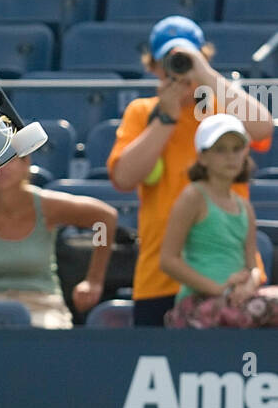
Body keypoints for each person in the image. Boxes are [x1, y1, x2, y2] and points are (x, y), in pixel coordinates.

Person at [108, 16, 273, 325]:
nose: (178, 67)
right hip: (160, 281)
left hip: (234, 282)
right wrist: (166, 118)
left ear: (204, 57)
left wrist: (204, 73)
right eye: (169, 61)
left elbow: (263, 128)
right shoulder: (142, 112)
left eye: (186, 57)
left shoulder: (221, 107)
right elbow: (123, 177)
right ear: (155, 68)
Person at [0, 155, 117, 326]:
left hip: (43, 305)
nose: (2, 166)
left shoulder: (48, 206)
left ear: (26, 164)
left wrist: (94, 280)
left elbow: (104, 220)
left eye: (10, 158)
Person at [162, 115, 278, 328]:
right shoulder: (193, 197)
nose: (231, 157)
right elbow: (168, 260)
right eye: (220, 149)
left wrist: (247, 287)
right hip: (197, 306)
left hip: (237, 302)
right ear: (203, 157)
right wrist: (219, 289)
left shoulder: (245, 207)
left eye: (237, 149)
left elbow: (252, 266)